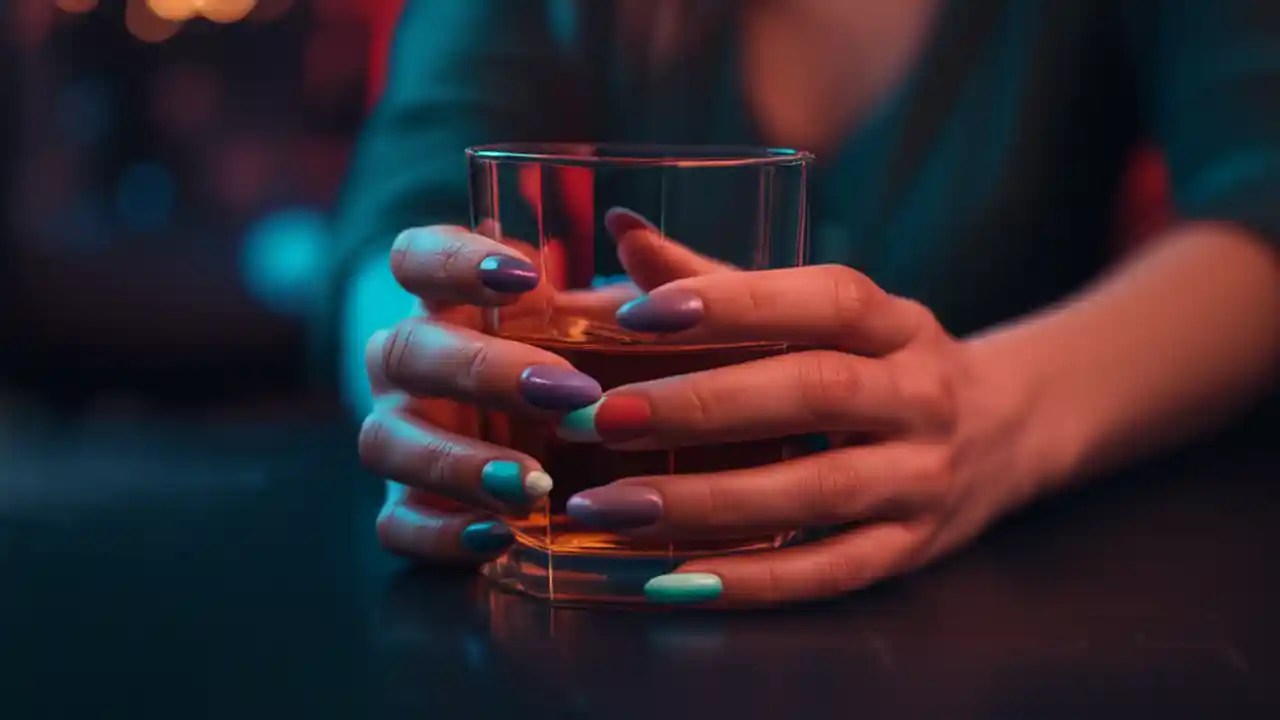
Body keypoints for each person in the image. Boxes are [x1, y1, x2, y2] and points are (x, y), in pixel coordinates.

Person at [332, 0, 1280, 607]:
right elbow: (405, 215)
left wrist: (998, 413)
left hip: (1050, 610)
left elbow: (1262, 198)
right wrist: (421, 374)